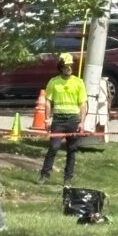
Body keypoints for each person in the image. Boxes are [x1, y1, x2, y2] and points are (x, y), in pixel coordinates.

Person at [39, 52, 88, 187]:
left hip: (73, 119)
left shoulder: (79, 82)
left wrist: (82, 122)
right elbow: (48, 101)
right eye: (66, 66)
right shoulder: (53, 82)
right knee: (54, 147)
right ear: (60, 67)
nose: (69, 68)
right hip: (58, 120)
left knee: (72, 149)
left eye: (71, 66)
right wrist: (47, 119)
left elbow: (83, 103)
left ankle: (68, 179)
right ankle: (44, 174)